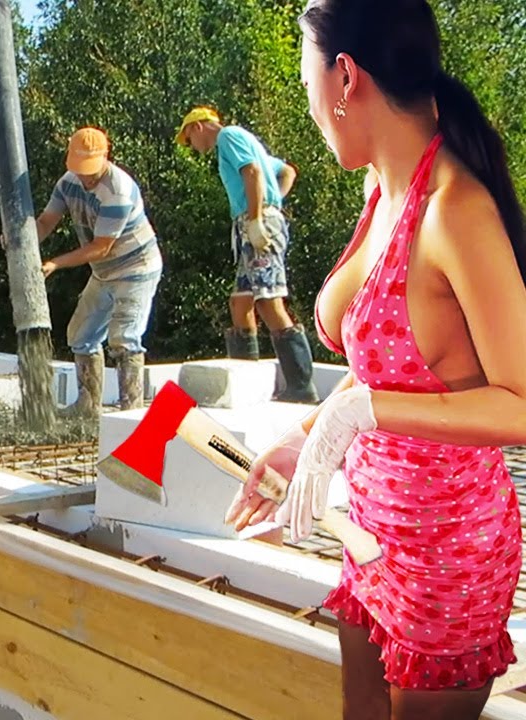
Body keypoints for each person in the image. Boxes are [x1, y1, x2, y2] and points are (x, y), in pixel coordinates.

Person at [227, 1, 526, 717]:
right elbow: (383, 367)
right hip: (370, 536)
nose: (310, 108)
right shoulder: (380, 191)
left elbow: (520, 402)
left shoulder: (455, 210)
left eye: (307, 84)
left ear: (346, 77)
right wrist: (304, 438)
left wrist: (359, 412)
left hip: (447, 556)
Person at [176, 106, 320, 403]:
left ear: (198, 126)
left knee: (268, 301)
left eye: (189, 139)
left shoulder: (228, 136)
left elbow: (252, 172)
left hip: (257, 222)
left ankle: (301, 388)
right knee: (240, 302)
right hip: (252, 223)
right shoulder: (239, 140)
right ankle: (246, 385)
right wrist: (273, 200)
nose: (193, 147)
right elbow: (286, 171)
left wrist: (258, 216)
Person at [29, 127, 163, 413]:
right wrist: (22, 241)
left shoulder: (118, 190)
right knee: (81, 335)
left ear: (105, 157)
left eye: (89, 169)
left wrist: (55, 263)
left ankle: (130, 412)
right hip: (104, 272)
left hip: (136, 268)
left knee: (124, 339)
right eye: (80, 169)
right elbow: (46, 222)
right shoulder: (68, 182)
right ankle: (88, 408)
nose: (85, 177)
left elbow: (101, 247)